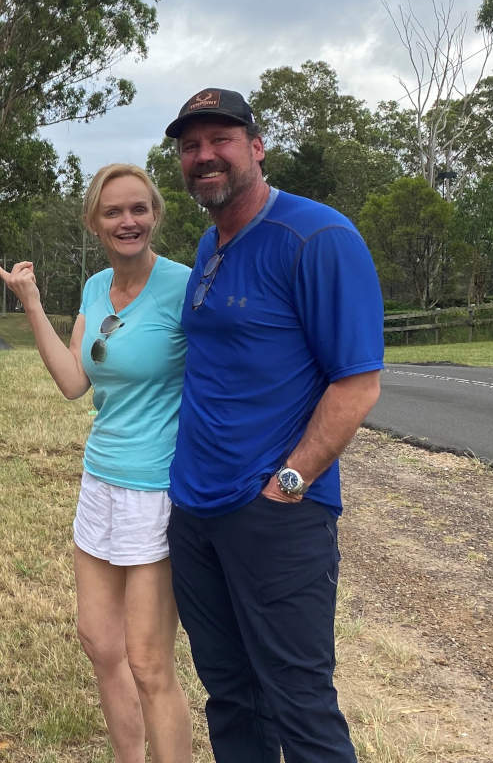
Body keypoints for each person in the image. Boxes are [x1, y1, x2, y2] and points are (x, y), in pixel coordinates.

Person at [163, 88, 385, 763]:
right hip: (196, 512)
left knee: (299, 703)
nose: (205, 156)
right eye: (190, 145)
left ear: (256, 148)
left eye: (221, 140)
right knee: (231, 697)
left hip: (277, 515)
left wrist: (290, 481)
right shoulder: (210, 243)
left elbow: (357, 382)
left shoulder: (317, 237)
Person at [0, 164, 193, 763]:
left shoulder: (184, 286)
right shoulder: (95, 287)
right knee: (100, 643)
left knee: (150, 661)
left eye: (138, 209)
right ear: (93, 223)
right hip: (100, 480)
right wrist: (30, 302)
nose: (127, 221)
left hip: (156, 489)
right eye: (113, 212)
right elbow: (75, 381)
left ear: (155, 214)